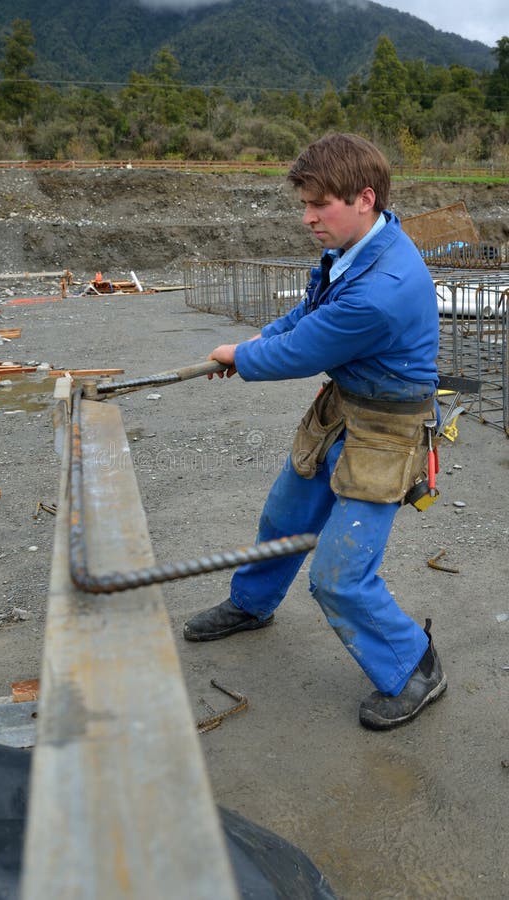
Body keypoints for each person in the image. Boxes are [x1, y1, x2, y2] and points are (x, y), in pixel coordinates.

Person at [183, 132, 447, 730]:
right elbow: (307, 315)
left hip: (385, 431)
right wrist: (251, 343)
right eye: (304, 203)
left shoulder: (385, 289)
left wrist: (242, 356)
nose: (307, 218)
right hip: (342, 410)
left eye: (318, 204)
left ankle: (414, 668)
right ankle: (252, 604)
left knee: (339, 576)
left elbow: (305, 348)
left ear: (364, 197)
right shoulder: (353, 250)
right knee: (283, 518)